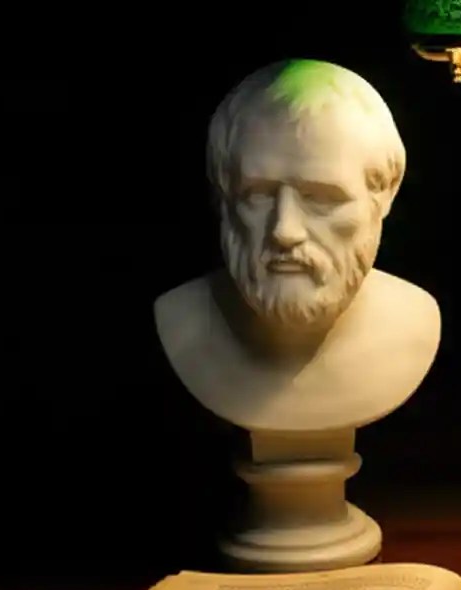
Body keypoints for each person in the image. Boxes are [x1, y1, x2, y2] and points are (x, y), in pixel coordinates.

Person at [154, 59, 441, 433]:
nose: (285, 231)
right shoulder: (182, 321)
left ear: (384, 193)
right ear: (222, 195)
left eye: (321, 198)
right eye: (257, 195)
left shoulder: (412, 328)